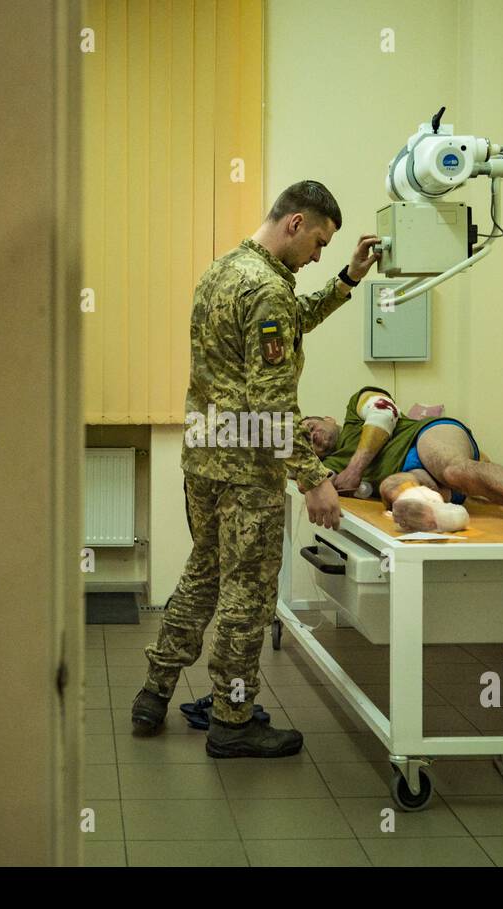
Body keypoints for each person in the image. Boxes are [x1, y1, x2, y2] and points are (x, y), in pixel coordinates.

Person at [130, 181, 381, 757]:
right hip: (246, 469)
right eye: (318, 243)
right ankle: (233, 719)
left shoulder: (225, 270)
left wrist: (346, 280)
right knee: (248, 598)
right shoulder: (266, 289)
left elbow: (286, 324)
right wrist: (313, 478)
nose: (319, 255)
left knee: (204, 577)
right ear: (295, 223)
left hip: (205, 459)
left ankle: (154, 691)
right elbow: (271, 403)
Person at [303, 386, 503, 534]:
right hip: (413, 475)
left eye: (311, 425)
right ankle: (447, 518)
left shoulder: (355, 408)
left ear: (329, 419)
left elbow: (384, 413)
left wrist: (354, 470)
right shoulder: (326, 468)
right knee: (392, 489)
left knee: (455, 470)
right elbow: (287, 469)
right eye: (304, 439)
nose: (310, 434)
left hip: (422, 437)